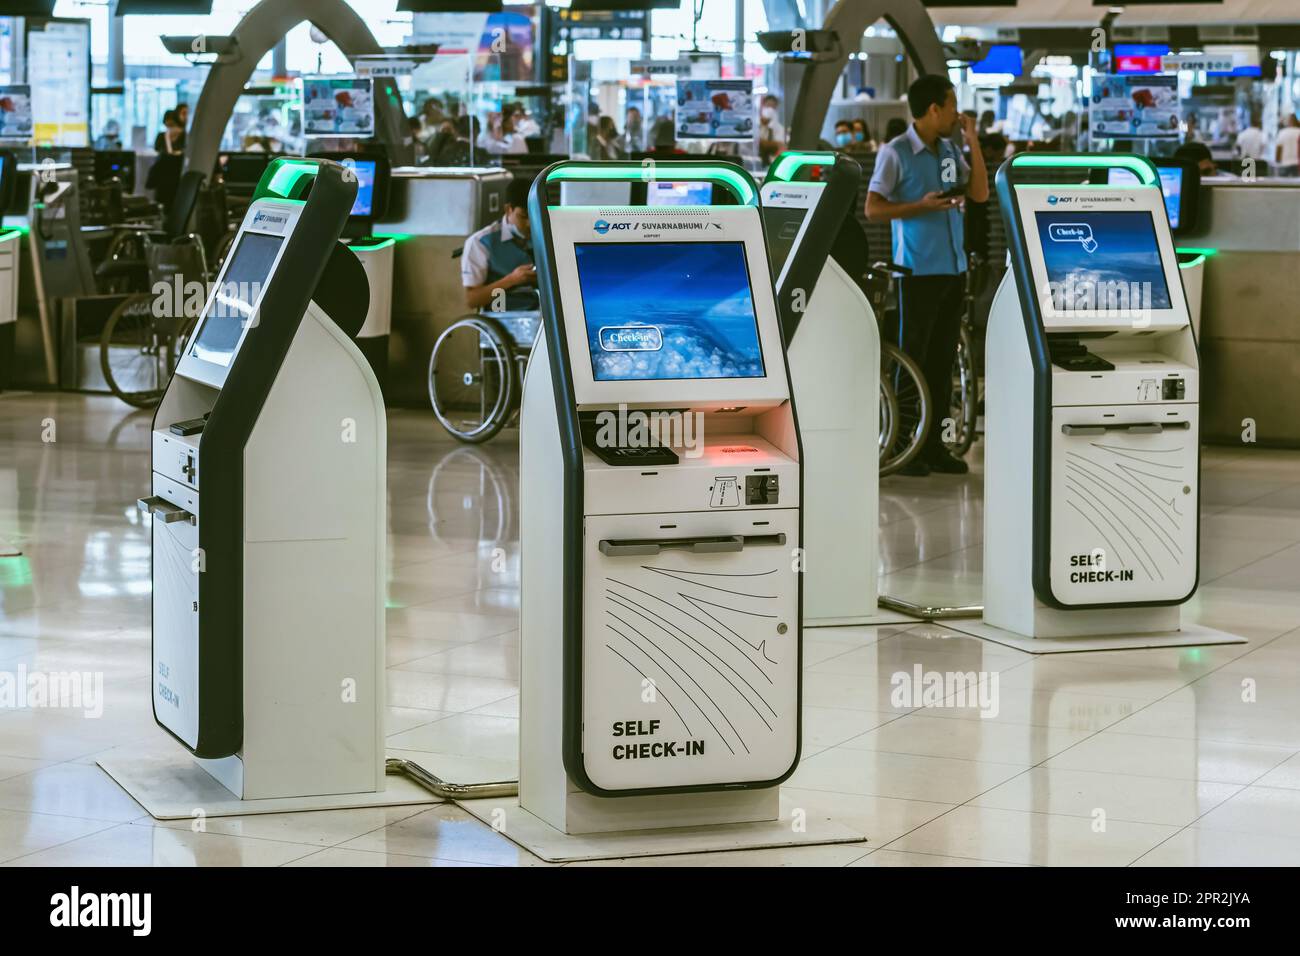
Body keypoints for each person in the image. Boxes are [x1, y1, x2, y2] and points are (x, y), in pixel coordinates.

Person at [866, 74, 989, 476]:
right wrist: (919, 206)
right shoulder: (895, 152)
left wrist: (973, 142)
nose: (957, 113)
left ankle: (934, 445)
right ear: (934, 108)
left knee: (940, 364)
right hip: (917, 272)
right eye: (952, 105)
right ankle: (905, 447)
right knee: (913, 362)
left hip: (952, 269)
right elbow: (873, 209)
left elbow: (980, 194)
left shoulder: (952, 148)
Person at [461, 177, 536, 312]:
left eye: (534, 216)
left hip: (540, 312)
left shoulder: (542, 235)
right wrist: (512, 279)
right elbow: (472, 299)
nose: (529, 224)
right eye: (523, 216)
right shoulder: (481, 243)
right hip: (501, 313)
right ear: (508, 209)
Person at [147, 109, 185, 210]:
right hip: (174, 172)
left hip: (166, 172)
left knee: (165, 200)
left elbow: (157, 149)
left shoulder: (163, 136)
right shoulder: (183, 135)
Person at [759, 93, 785, 164]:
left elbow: (780, 145)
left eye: (772, 106)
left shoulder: (780, 128)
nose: (770, 110)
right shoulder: (757, 127)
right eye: (768, 106)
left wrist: (764, 143)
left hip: (773, 161)